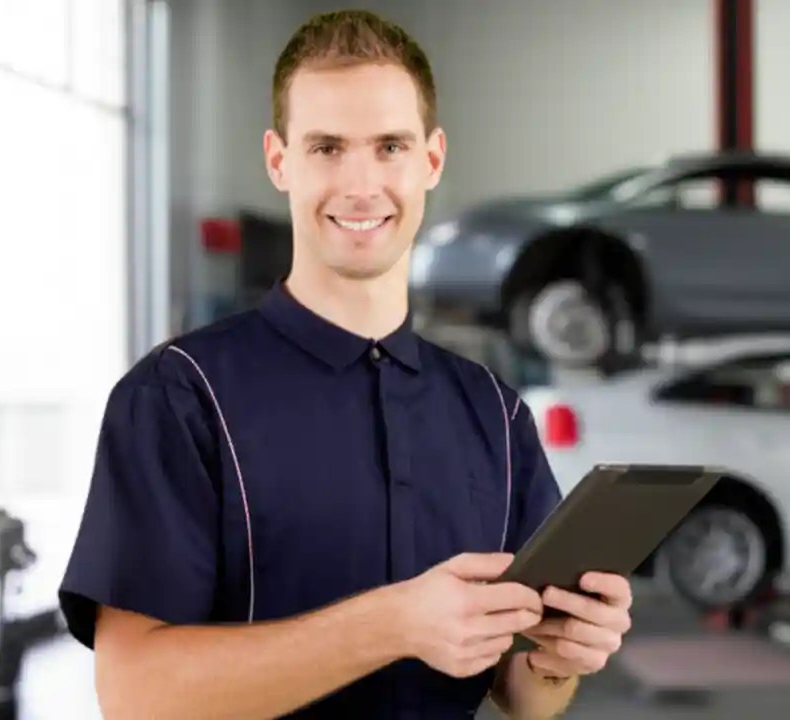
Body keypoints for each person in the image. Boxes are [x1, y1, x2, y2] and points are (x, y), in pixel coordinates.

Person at [58, 9, 633, 719]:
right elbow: (135, 696)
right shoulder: (178, 397)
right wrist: (392, 624)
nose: (361, 185)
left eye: (390, 146)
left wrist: (562, 654)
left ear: (431, 159)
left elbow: (526, 700)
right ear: (279, 161)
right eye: (327, 148)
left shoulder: (494, 412)